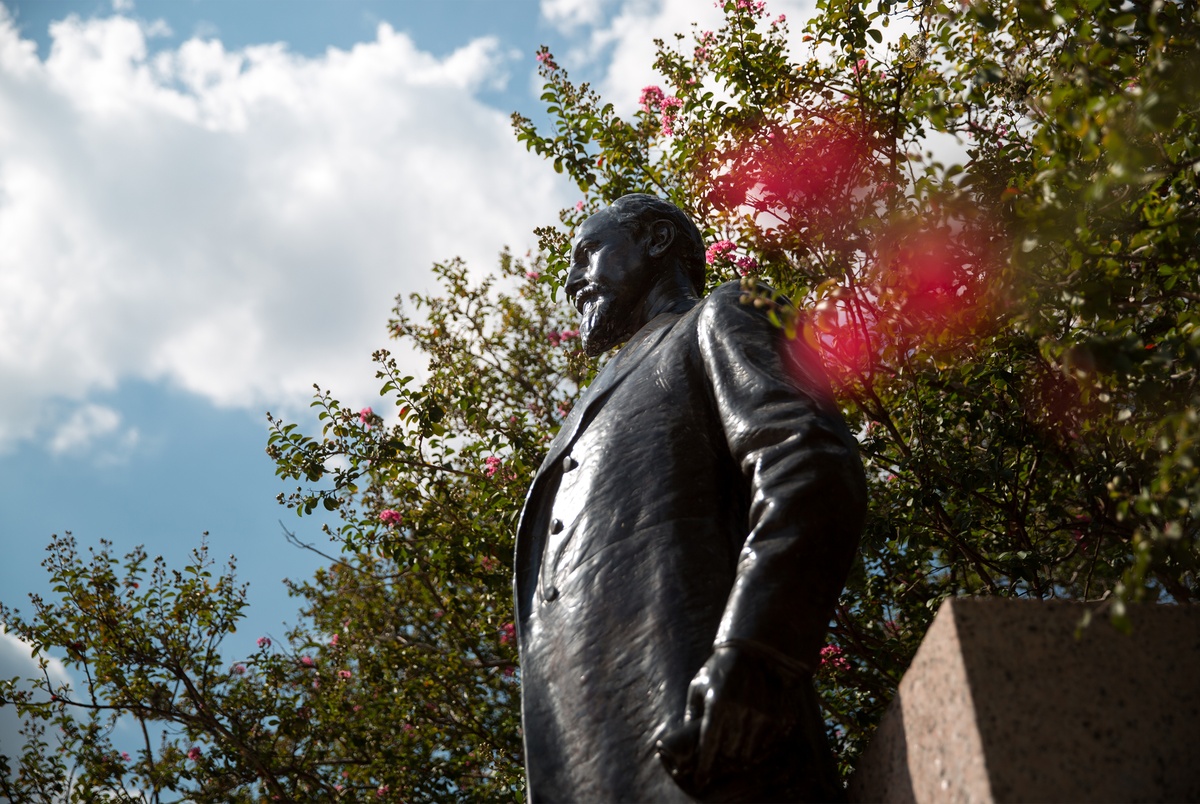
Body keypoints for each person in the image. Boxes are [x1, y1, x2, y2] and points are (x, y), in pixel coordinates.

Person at [513, 194, 866, 802]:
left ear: (654, 240)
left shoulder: (723, 314)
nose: (571, 283)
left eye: (588, 252)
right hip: (593, 767)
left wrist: (758, 651)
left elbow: (805, 461)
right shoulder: (583, 413)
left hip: (710, 739)